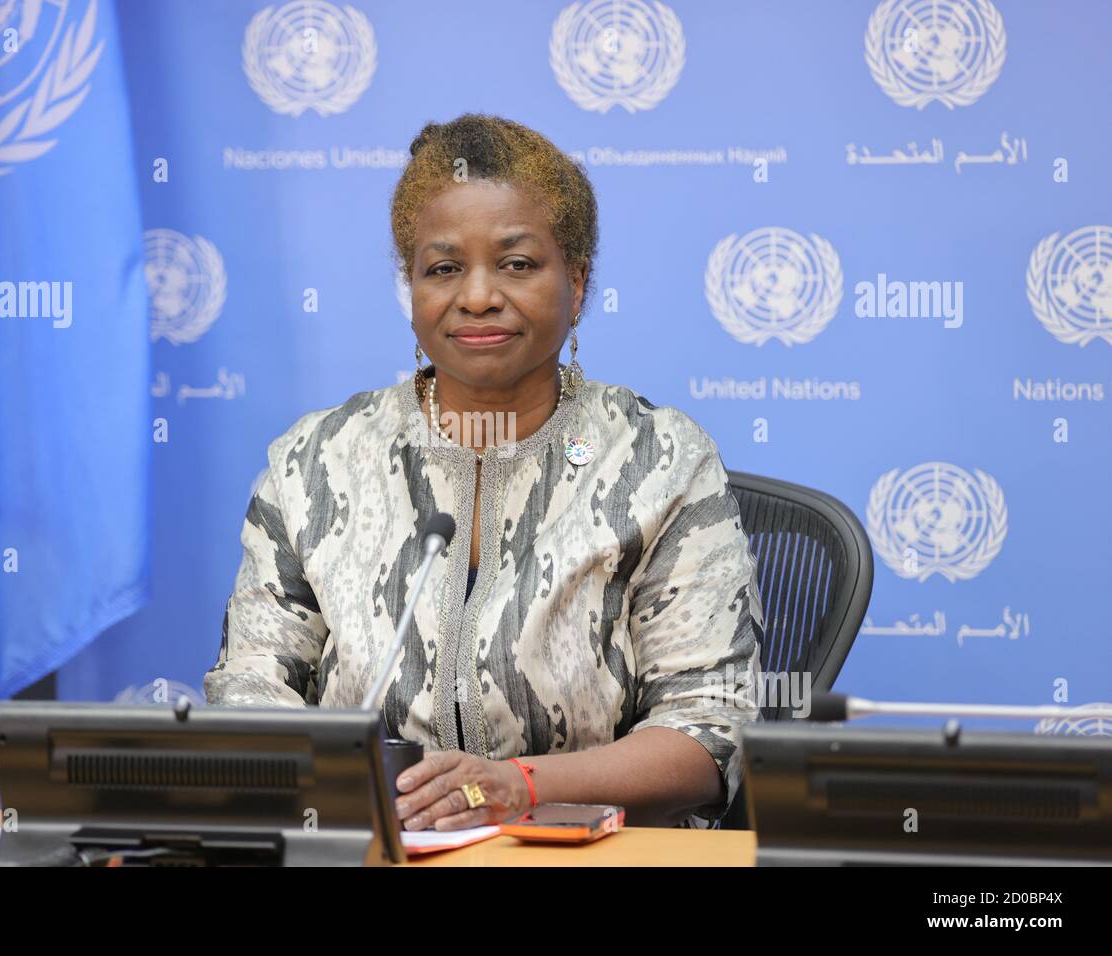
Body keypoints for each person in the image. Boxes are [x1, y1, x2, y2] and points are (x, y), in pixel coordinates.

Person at [205, 113, 763, 831]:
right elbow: (250, 688)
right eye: (443, 268)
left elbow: (710, 730)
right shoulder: (314, 462)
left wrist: (519, 785)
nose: (476, 296)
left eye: (517, 264)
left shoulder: (661, 461)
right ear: (411, 286)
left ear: (579, 282)